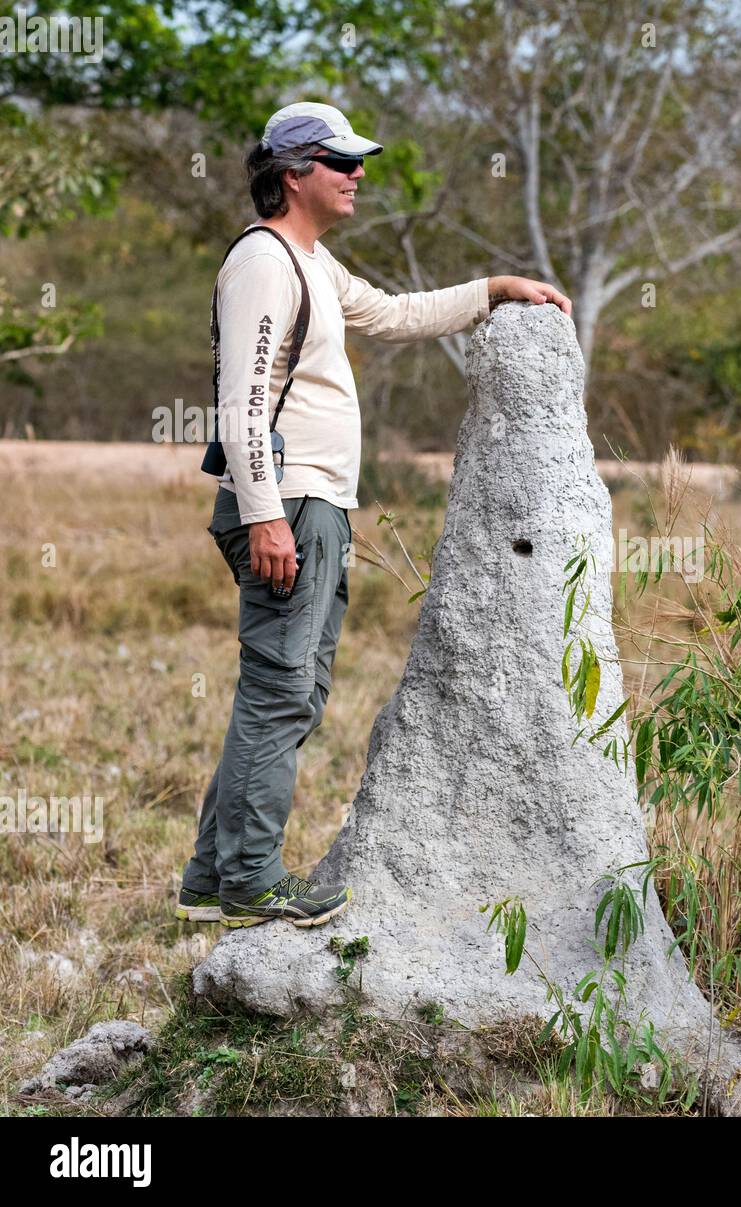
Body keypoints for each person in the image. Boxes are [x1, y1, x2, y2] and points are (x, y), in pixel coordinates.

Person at [176, 102, 571, 929]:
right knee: (281, 691)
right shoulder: (263, 261)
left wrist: (494, 290)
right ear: (292, 174)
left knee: (292, 689)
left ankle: (215, 875)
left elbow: (393, 315)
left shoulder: (314, 262)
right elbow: (243, 406)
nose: (357, 174)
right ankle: (249, 878)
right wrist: (265, 517)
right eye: (339, 161)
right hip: (286, 505)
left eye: (358, 161)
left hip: (316, 504)